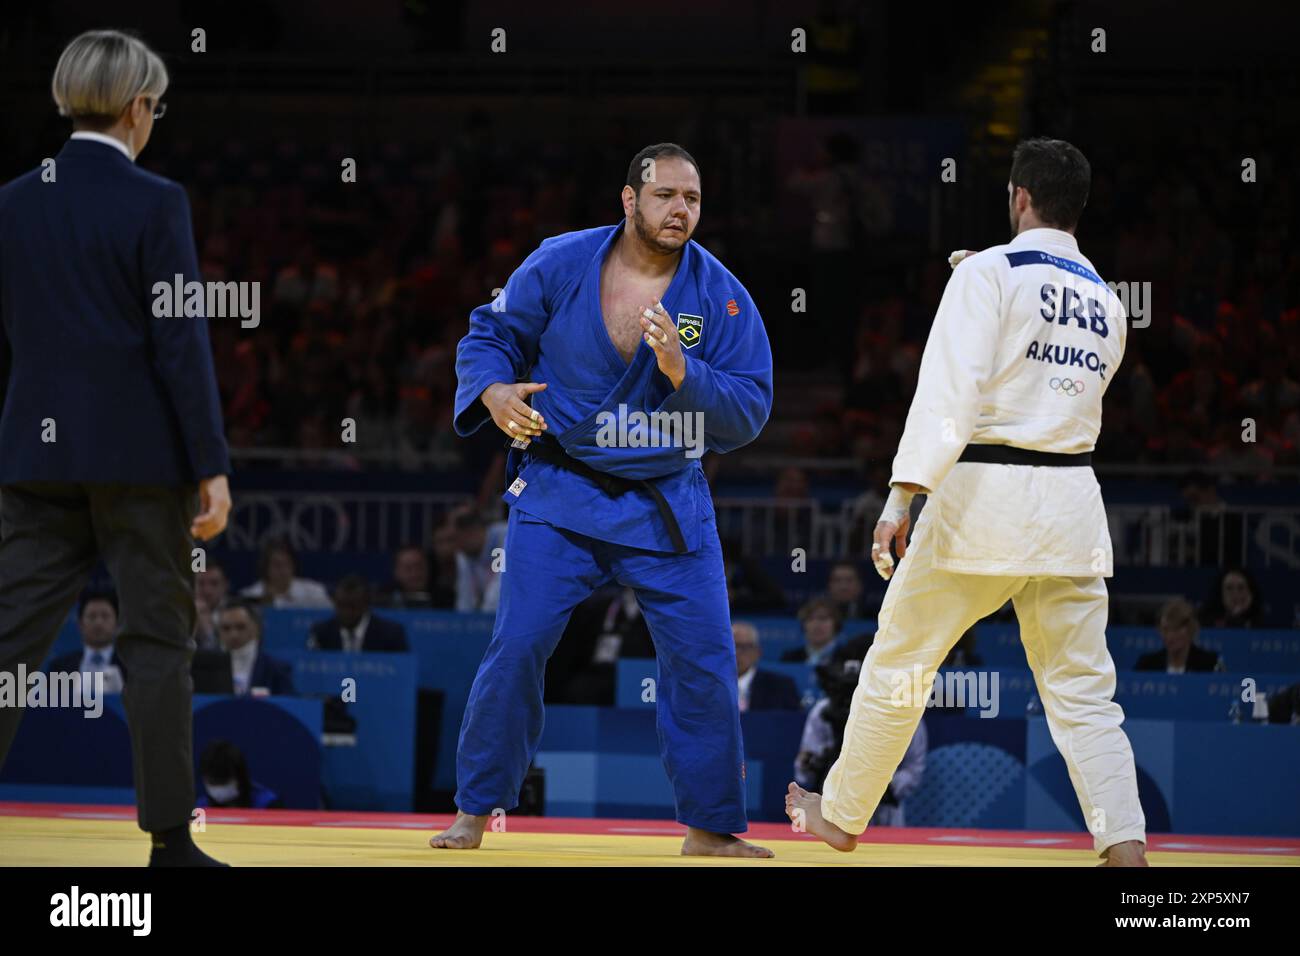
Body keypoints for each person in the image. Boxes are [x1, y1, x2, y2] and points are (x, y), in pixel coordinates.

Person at [787, 138, 1148, 866]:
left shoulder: (988, 271)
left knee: (901, 661)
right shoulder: (1110, 304)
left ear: (1018, 196)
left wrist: (901, 496)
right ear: (1077, 207)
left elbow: (949, 396)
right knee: (1082, 692)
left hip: (984, 500)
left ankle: (844, 813)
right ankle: (1125, 843)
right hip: (1071, 507)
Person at [433, 143, 773, 857]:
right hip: (561, 490)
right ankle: (475, 808)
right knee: (519, 644)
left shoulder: (723, 296)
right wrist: (493, 392)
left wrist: (688, 374)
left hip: (668, 499)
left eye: (693, 199)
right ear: (629, 200)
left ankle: (710, 829)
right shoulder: (561, 261)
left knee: (705, 658)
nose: (681, 210)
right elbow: (491, 331)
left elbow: (749, 411)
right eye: (666, 196)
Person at [0, 30, 231, 867]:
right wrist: (211, 463)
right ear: (138, 108)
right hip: (140, 463)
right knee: (158, 648)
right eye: (155, 108)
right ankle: (171, 841)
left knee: (6, 645)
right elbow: (180, 341)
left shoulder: (13, 202)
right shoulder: (155, 200)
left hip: (35, 459)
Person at [46, 591, 128, 694]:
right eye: (92, 616)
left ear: (117, 622)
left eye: (105, 616)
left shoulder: (130, 668)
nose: (98, 623)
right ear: (80, 623)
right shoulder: (59, 668)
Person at [308, 574, 409, 652]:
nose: (346, 612)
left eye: (352, 607)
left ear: (366, 605)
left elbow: (401, 672)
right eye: (341, 605)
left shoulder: (391, 635)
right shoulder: (321, 633)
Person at [1135, 598, 1225, 673]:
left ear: (1190, 630)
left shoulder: (1210, 664)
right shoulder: (1146, 665)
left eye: (1176, 629)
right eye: (1165, 629)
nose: (1170, 636)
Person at [239, 539, 331, 609]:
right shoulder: (251, 595)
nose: (283, 570)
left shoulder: (315, 593)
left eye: (287, 564)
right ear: (266, 568)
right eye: (277, 565)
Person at [734, 622, 800, 712]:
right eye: (731, 647)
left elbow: (792, 722)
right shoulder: (711, 687)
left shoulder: (781, 686)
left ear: (757, 652)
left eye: (744, 647)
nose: (736, 653)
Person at [781, 597, 842, 665]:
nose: (816, 625)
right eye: (810, 619)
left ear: (836, 624)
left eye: (823, 618)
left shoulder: (847, 656)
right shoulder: (790, 658)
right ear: (803, 626)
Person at [1200, 567, 1265, 628]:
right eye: (1229, 588)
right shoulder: (1206, 619)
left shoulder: (1260, 621)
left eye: (1241, 588)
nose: (1235, 593)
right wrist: (1234, 618)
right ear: (1220, 593)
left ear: (1250, 592)